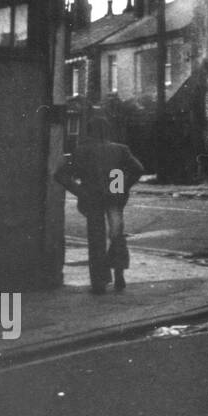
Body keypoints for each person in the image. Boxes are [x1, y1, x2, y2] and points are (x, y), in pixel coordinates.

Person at [53, 116, 145, 293]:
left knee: (96, 240)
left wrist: (79, 191)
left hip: (92, 198)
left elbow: (61, 175)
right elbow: (138, 169)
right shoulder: (120, 150)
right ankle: (119, 274)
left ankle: (99, 282)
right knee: (117, 235)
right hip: (115, 197)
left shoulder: (81, 151)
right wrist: (120, 186)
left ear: (90, 131)